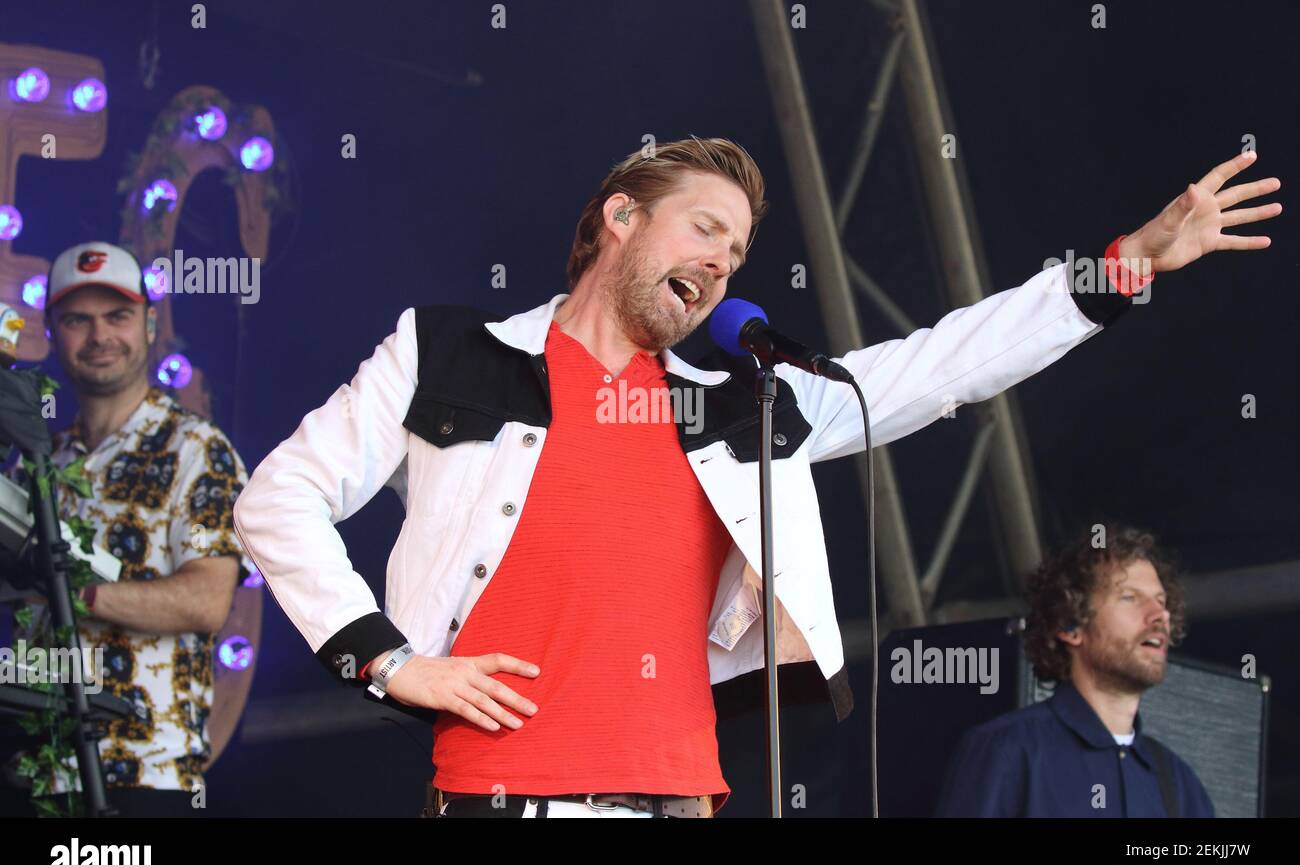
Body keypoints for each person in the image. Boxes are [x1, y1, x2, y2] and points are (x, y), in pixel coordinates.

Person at [233, 137, 1278, 818]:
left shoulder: (738, 406)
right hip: (503, 796)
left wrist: (1120, 270)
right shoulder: (452, 353)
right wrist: (388, 661)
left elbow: (934, 367)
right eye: (705, 230)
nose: (722, 264)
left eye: (736, 253)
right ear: (620, 218)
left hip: (683, 800)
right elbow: (278, 498)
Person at [5, 241, 256, 817]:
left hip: (147, 771)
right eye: (78, 320)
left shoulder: (196, 447)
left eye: (116, 315)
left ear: (148, 325)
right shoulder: (37, 460)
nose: (99, 336)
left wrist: (71, 592)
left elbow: (206, 601)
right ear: (52, 333)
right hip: (36, 770)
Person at [935, 524, 1215, 817]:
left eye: (1161, 601)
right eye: (1130, 598)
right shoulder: (1008, 750)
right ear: (1070, 627)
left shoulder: (1181, 785)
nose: (1160, 615)